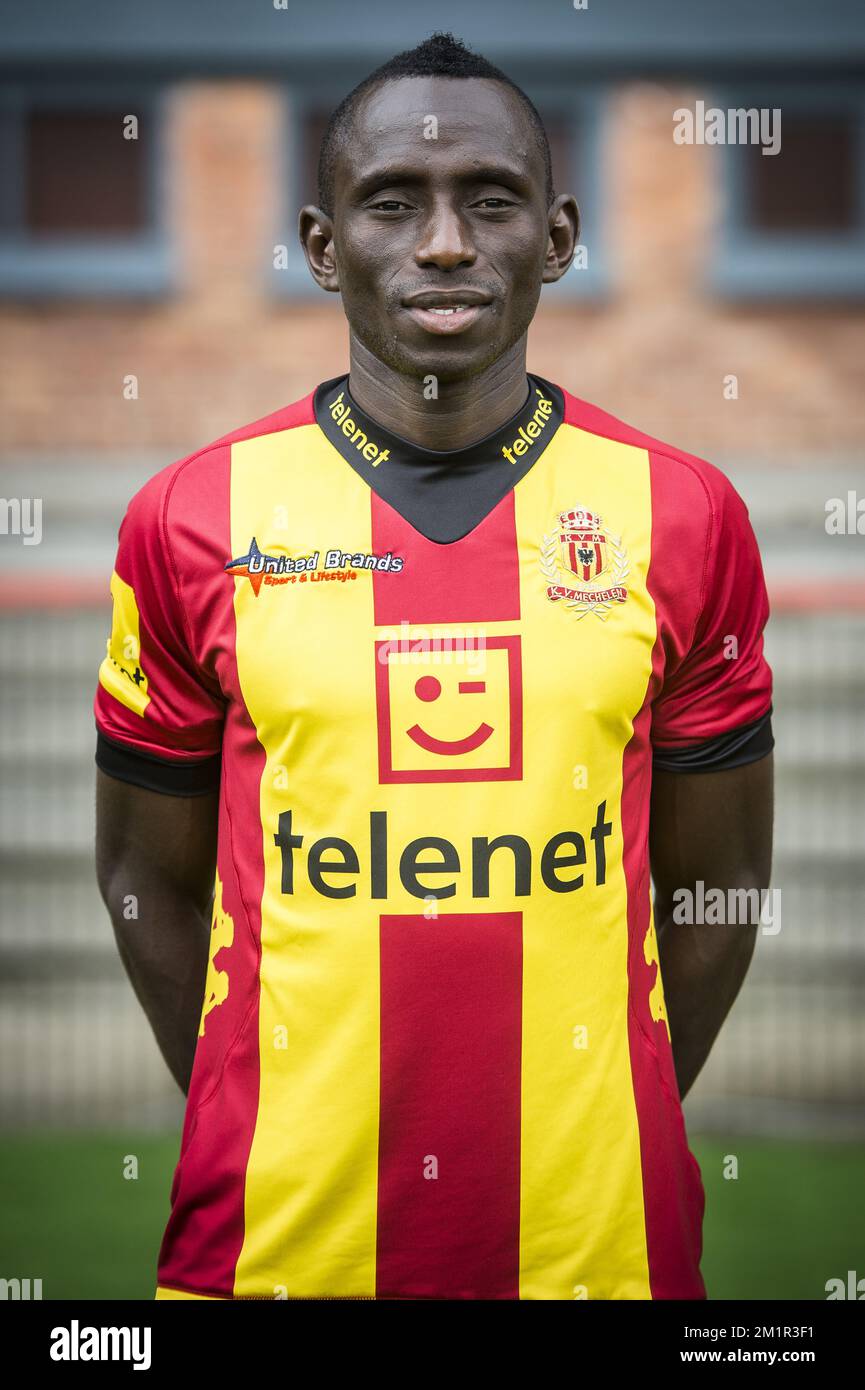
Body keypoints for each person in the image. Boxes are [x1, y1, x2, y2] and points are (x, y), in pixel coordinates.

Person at [94, 32, 773, 1301]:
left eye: (492, 199)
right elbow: (144, 877)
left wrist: (596, 1103)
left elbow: (720, 883)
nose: (446, 243)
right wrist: (272, 1099)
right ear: (318, 242)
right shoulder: (189, 517)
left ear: (561, 237)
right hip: (272, 1249)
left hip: (597, 1251)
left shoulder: (682, 516)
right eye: (394, 203)